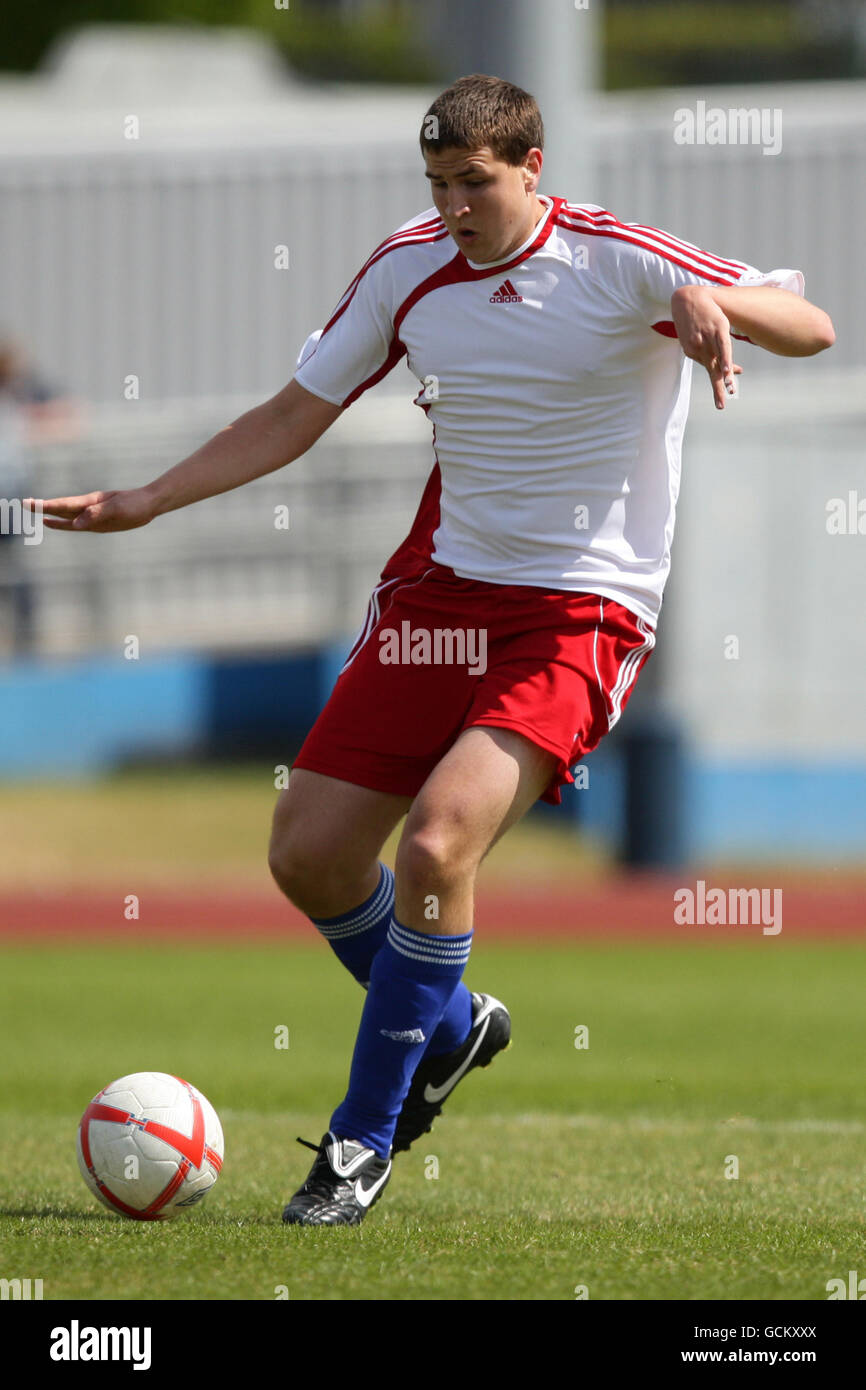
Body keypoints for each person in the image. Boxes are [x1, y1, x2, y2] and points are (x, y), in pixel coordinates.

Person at [30, 74, 835, 1227]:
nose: (455, 205)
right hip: (440, 593)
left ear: (531, 169)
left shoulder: (619, 258)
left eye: (475, 182)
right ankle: (449, 1028)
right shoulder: (405, 269)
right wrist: (151, 498)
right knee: (307, 852)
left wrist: (718, 304)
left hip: (579, 610)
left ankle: (359, 1142)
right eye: (438, 184)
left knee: (439, 840)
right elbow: (290, 413)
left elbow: (811, 326)